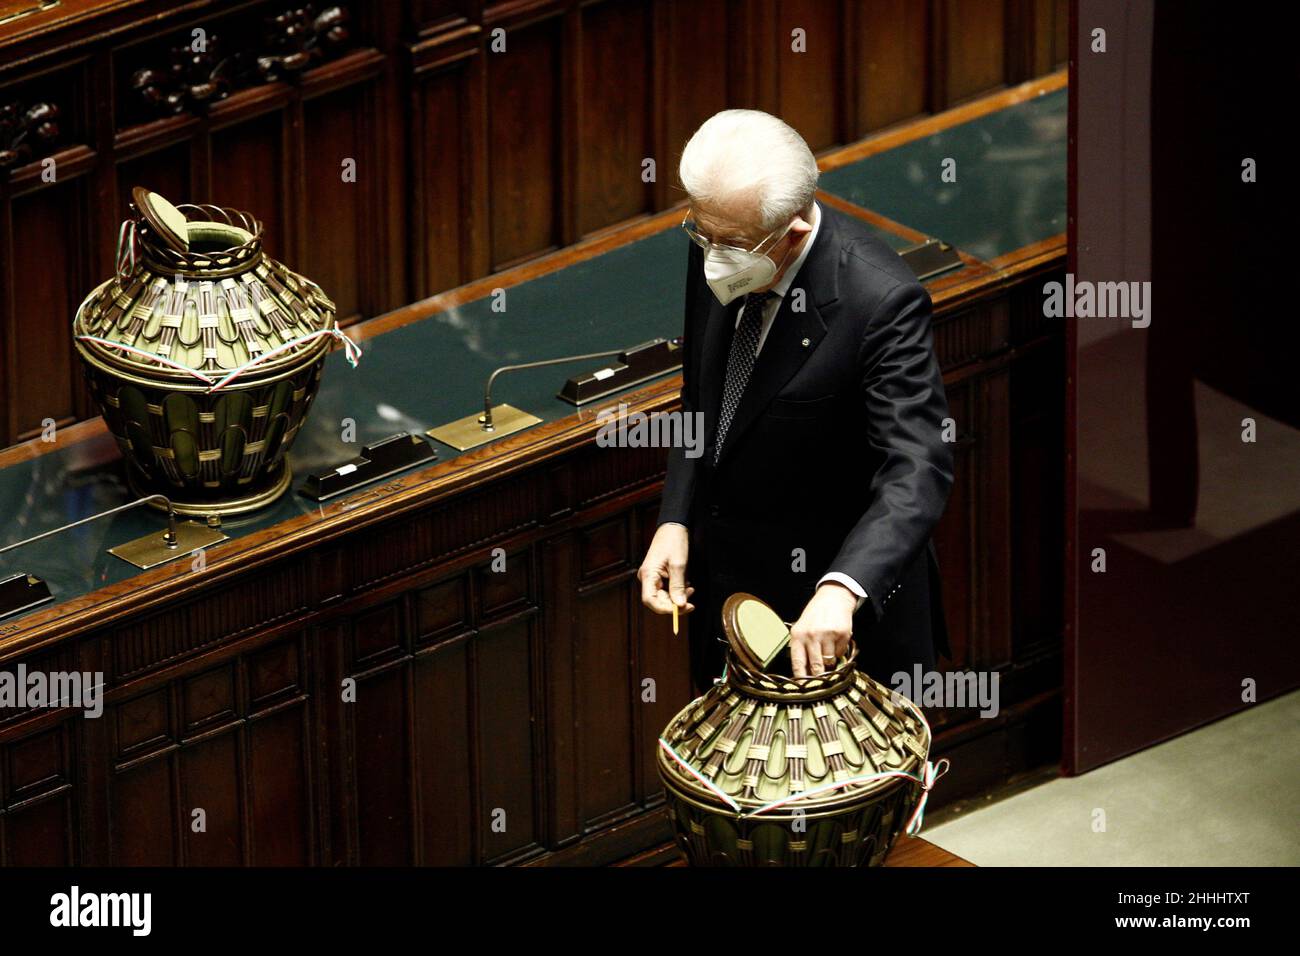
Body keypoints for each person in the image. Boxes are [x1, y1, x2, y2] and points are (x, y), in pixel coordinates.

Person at [637, 109, 954, 692]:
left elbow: (916, 467)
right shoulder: (723, 237)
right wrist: (676, 517)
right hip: (730, 603)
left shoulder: (880, 300)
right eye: (701, 233)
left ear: (794, 230)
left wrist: (841, 589)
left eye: (728, 242)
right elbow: (701, 396)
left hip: (836, 622)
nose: (712, 255)